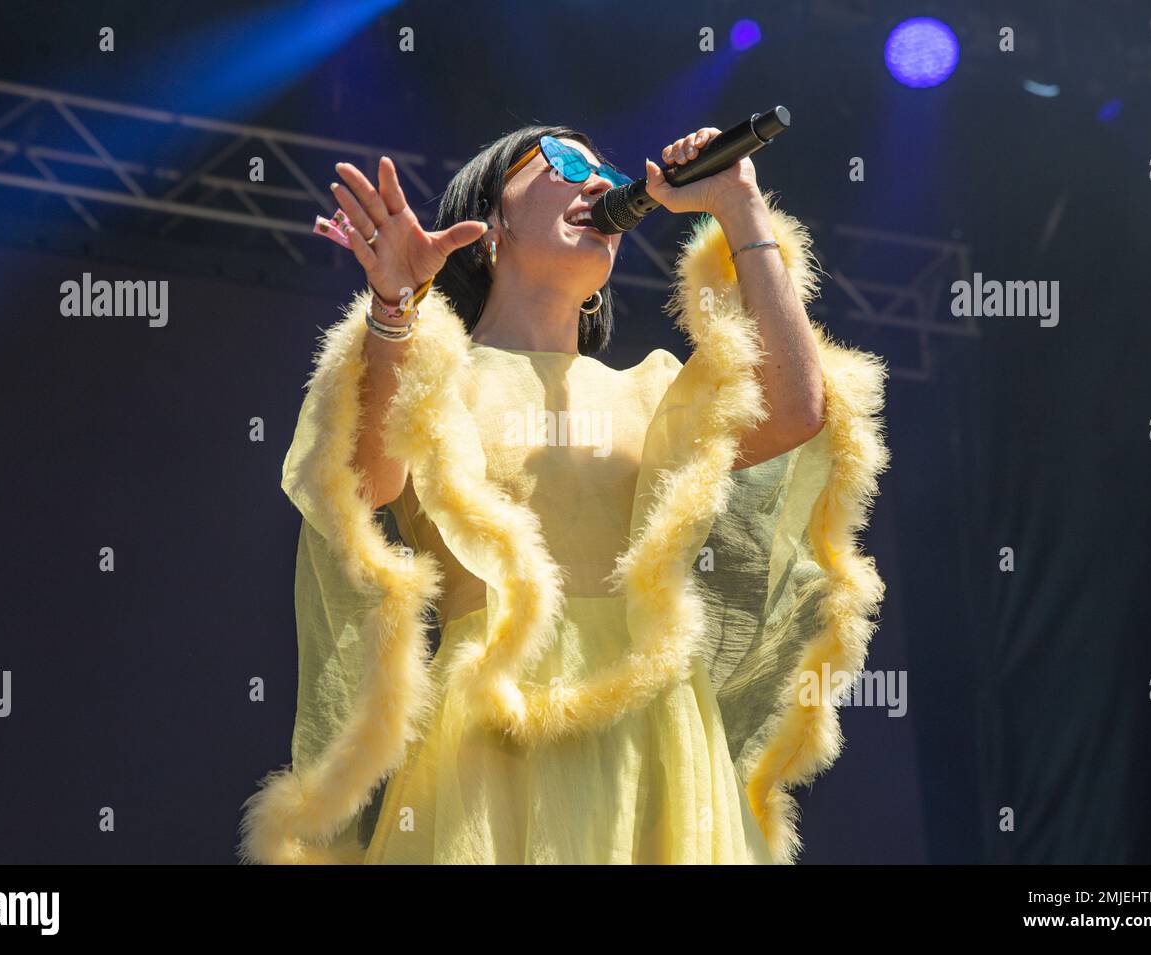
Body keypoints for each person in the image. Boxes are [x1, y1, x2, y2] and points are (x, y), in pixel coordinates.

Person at [238, 124, 890, 864]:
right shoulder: (431, 375)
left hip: (657, 735)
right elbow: (358, 488)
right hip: (492, 742)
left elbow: (797, 410)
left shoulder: (652, 390)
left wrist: (738, 206)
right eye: (568, 161)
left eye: (609, 170)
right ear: (491, 222)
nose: (599, 182)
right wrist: (394, 311)